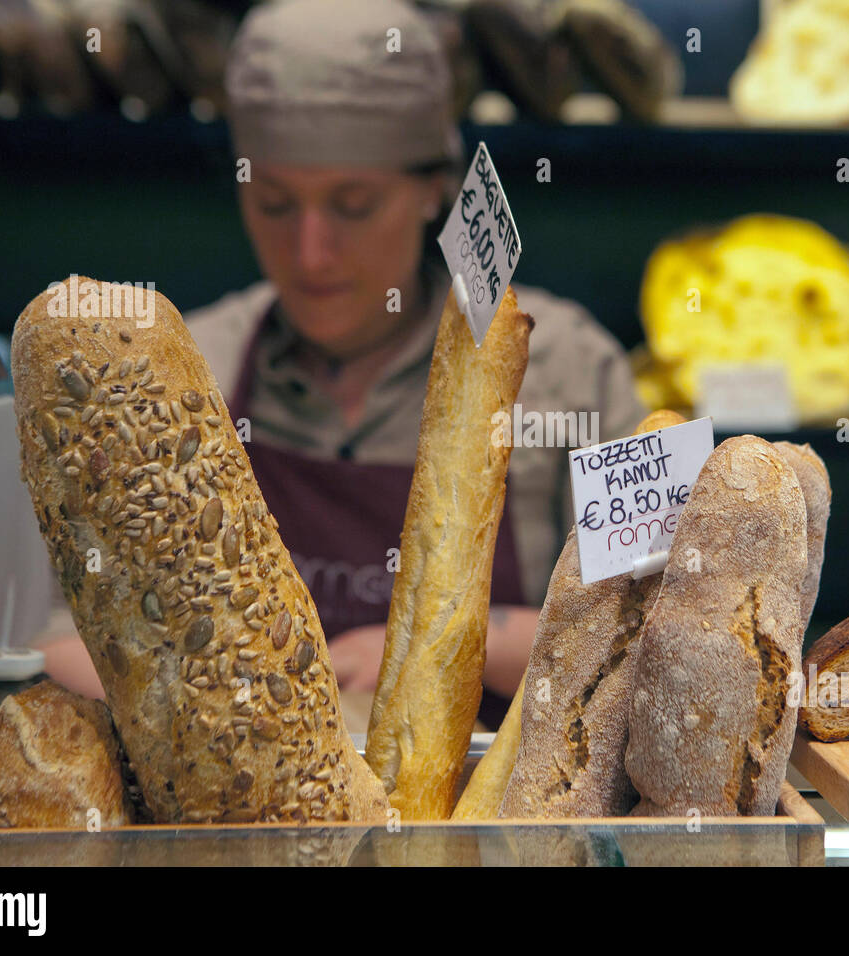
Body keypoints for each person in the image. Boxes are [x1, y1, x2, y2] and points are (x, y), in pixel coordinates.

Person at [52, 0, 642, 725]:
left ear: (435, 189)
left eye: (354, 205)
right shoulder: (184, 367)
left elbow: (651, 624)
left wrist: (471, 637)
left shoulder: (571, 366)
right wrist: (244, 695)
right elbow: (55, 635)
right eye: (272, 203)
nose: (310, 252)